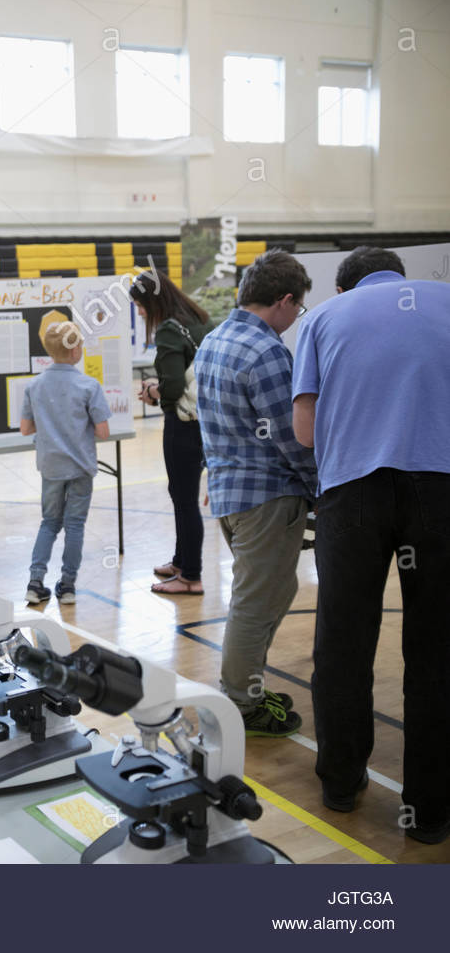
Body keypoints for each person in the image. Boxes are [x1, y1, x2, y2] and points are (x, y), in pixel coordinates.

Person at [292, 246, 450, 843]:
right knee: (436, 650)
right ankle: (431, 811)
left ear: (346, 287)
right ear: (400, 277)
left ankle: (340, 781)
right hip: (441, 486)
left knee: (344, 640)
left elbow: (305, 432)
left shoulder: (326, 319)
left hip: (352, 492)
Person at [193, 249, 316, 738]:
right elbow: (292, 438)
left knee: (272, 591)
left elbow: (206, 420)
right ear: (284, 301)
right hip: (267, 498)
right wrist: (322, 488)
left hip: (231, 494)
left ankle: (250, 686)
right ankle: (241, 704)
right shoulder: (267, 352)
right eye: (298, 309)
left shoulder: (213, 340)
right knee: (255, 602)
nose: (295, 319)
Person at [132, 271, 213, 596]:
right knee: (184, 494)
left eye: (139, 305)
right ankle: (182, 561)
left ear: (152, 302)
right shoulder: (200, 319)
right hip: (204, 421)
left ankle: (190, 576)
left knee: (184, 499)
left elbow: (175, 387)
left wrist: (154, 391)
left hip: (182, 424)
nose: (139, 312)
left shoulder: (168, 329)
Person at [20, 322, 111, 606]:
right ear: (74, 350)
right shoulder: (89, 386)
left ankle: (35, 582)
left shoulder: (34, 385)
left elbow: (25, 429)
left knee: (49, 522)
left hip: (50, 467)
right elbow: (103, 431)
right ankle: (68, 586)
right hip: (81, 467)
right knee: (75, 525)